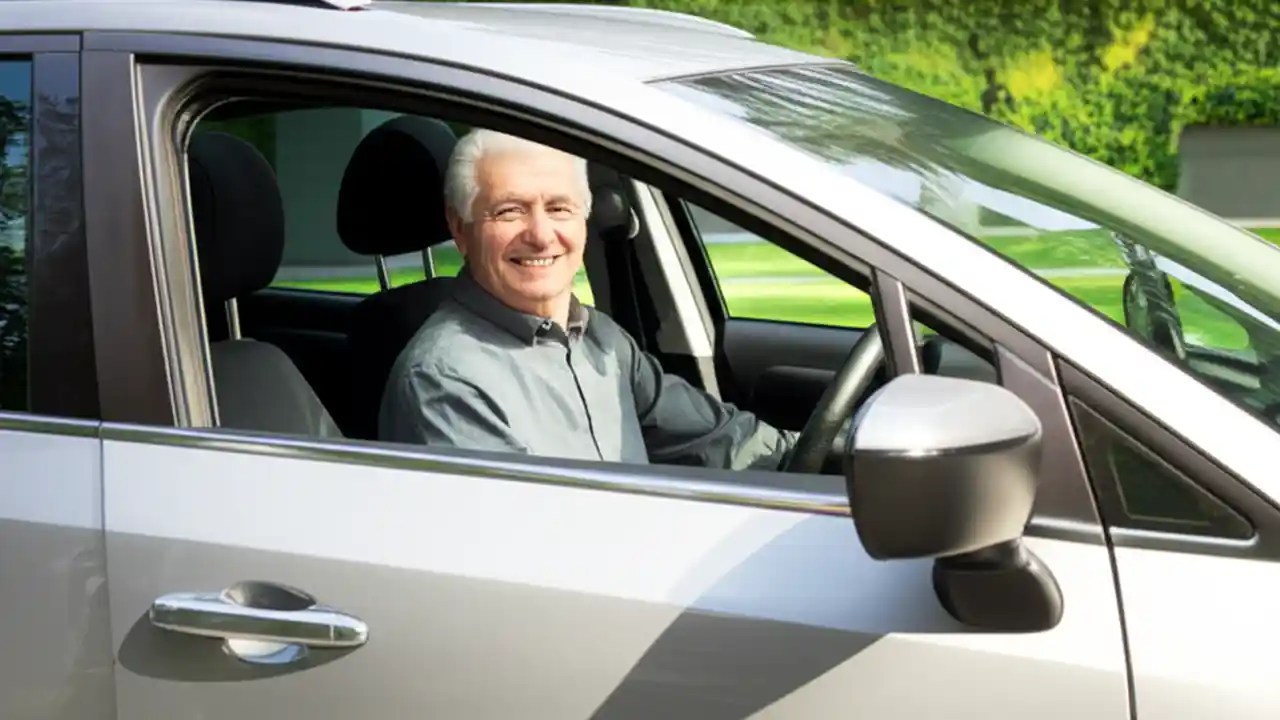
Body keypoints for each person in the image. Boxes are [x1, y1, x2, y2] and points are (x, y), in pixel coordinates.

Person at [379, 129, 797, 470]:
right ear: (460, 229)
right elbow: (526, 550)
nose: (541, 235)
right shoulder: (443, 380)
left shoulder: (601, 338)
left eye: (559, 208)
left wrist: (834, 454)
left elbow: (721, 442)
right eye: (509, 211)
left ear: (585, 219)